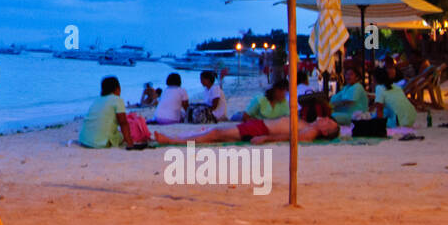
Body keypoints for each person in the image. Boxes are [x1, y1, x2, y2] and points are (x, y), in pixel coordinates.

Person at [153, 101, 339, 146]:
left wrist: (265, 138)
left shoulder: (310, 132)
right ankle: (177, 138)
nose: (326, 119)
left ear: (324, 132)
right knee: (216, 132)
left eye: (328, 123)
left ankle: (173, 141)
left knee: (216, 134)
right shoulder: (309, 125)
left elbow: (291, 137)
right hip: (260, 126)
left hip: (261, 129)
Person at [79, 76, 127, 148]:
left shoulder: (97, 100)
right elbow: (123, 123)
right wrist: (130, 143)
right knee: (121, 136)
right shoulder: (117, 100)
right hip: (100, 143)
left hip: (84, 140)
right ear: (118, 89)